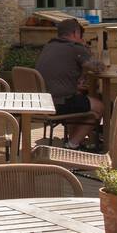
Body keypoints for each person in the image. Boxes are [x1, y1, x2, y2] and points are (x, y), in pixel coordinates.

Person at [35, 17, 103, 148]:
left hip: (41, 102)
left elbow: (59, 72)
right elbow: (97, 68)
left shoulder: (48, 46)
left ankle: (77, 140)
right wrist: (87, 50)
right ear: (75, 33)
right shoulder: (75, 47)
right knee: (99, 106)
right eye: (81, 35)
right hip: (58, 103)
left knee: (78, 100)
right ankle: (73, 144)